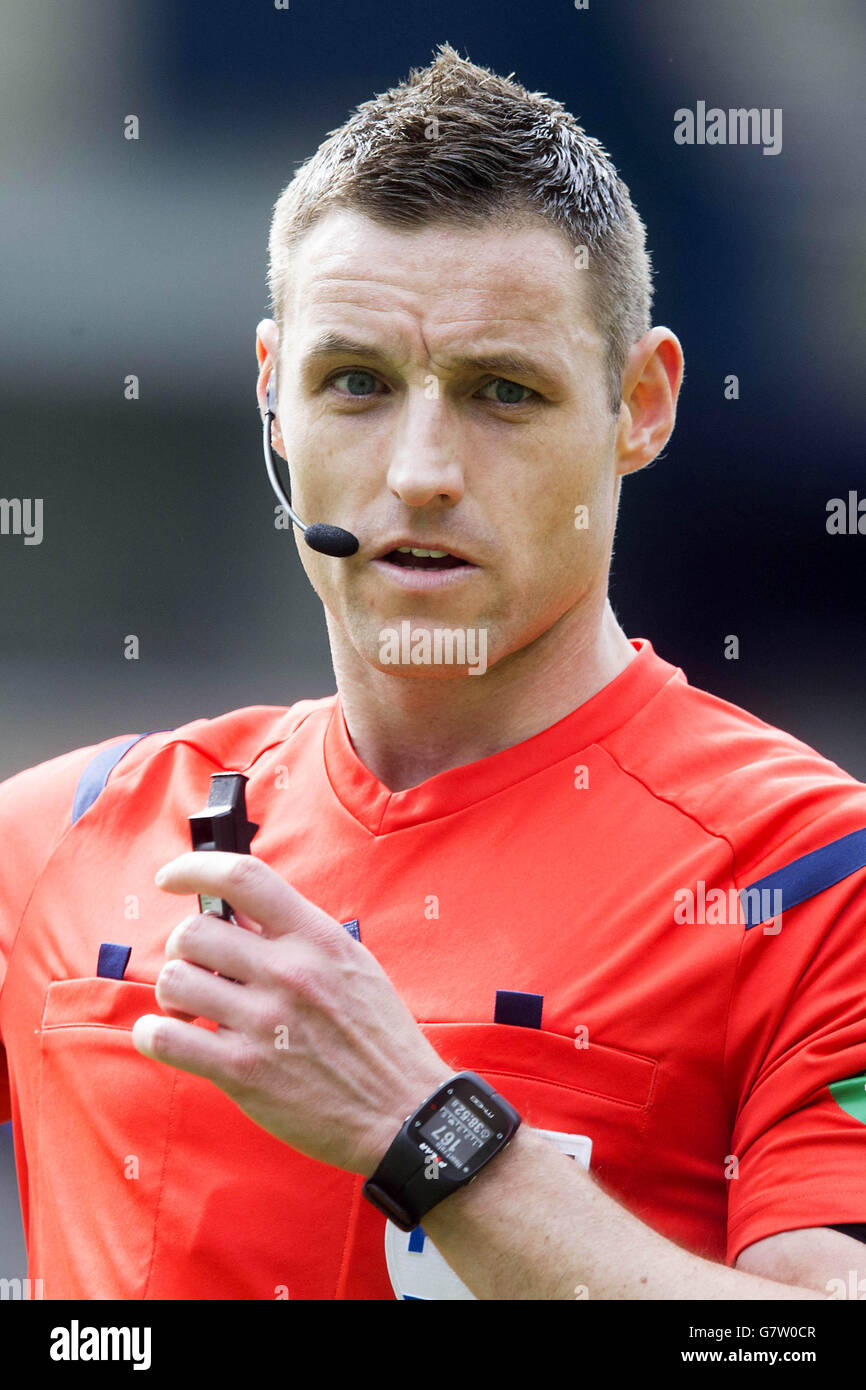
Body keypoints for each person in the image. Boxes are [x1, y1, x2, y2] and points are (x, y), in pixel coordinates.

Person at [1, 42, 865, 1302]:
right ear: (272, 399)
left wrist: (428, 1132)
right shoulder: (52, 840)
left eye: (499, 392)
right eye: (353, 381)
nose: (417, 470)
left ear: (642, 402)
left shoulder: (810, 875)